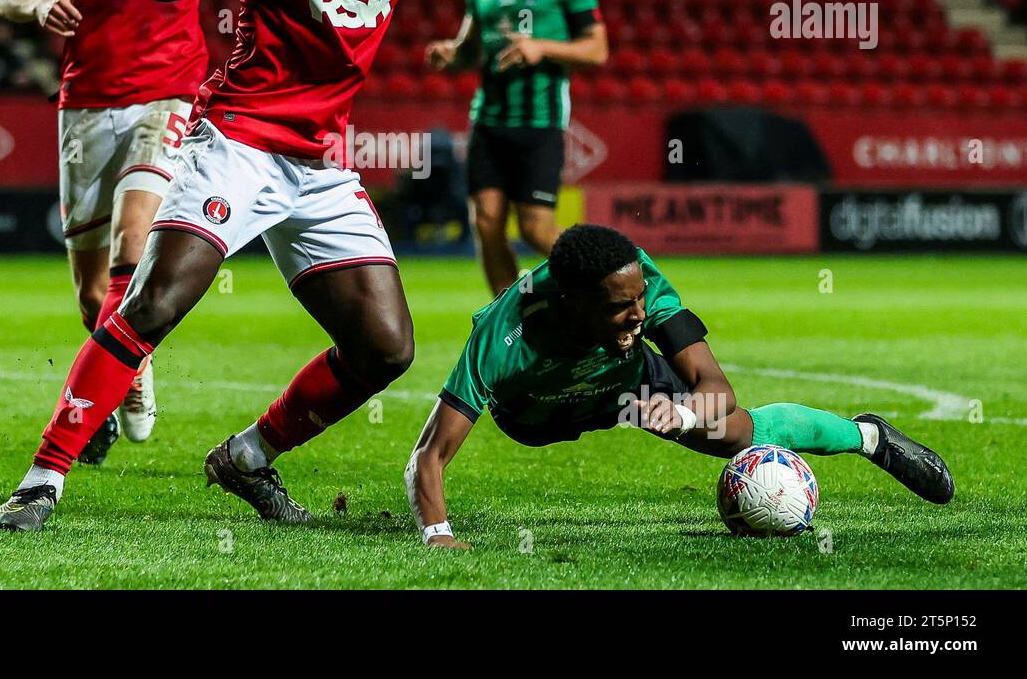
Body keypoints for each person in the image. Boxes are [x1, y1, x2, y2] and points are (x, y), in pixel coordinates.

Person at [0, 0, 641, 531]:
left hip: (320, 162)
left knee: (386, 347)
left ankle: (247, 456)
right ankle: (41, 480)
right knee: (156, 302)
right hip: (237, 142)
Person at [406, 223, 955, 549]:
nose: (639, 314)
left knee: (737, 433)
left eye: (640, 299)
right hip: (534, 414)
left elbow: (715, 385)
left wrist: (688, 416)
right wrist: (438, 534)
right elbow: (428, 457)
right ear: (574, 302)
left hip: (625, 384)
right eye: (621, 307)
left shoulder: (636, 277)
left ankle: (867, 437)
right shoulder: (504, 334)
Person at [0, 0, 233, 461]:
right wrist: (40, 5)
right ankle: (130, 363)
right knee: (91, 286)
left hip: (171, 93)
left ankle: (127, 376)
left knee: (137, 244)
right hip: (87, 104)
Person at [427, 0, 608, 295]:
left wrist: (539, 47)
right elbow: (470, 49)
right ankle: (509, 317)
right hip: (488, 119)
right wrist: (450, 54)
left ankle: (609, 281)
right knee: (486, 221)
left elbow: (597, 50)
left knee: (535, 228)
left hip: (540, 119)